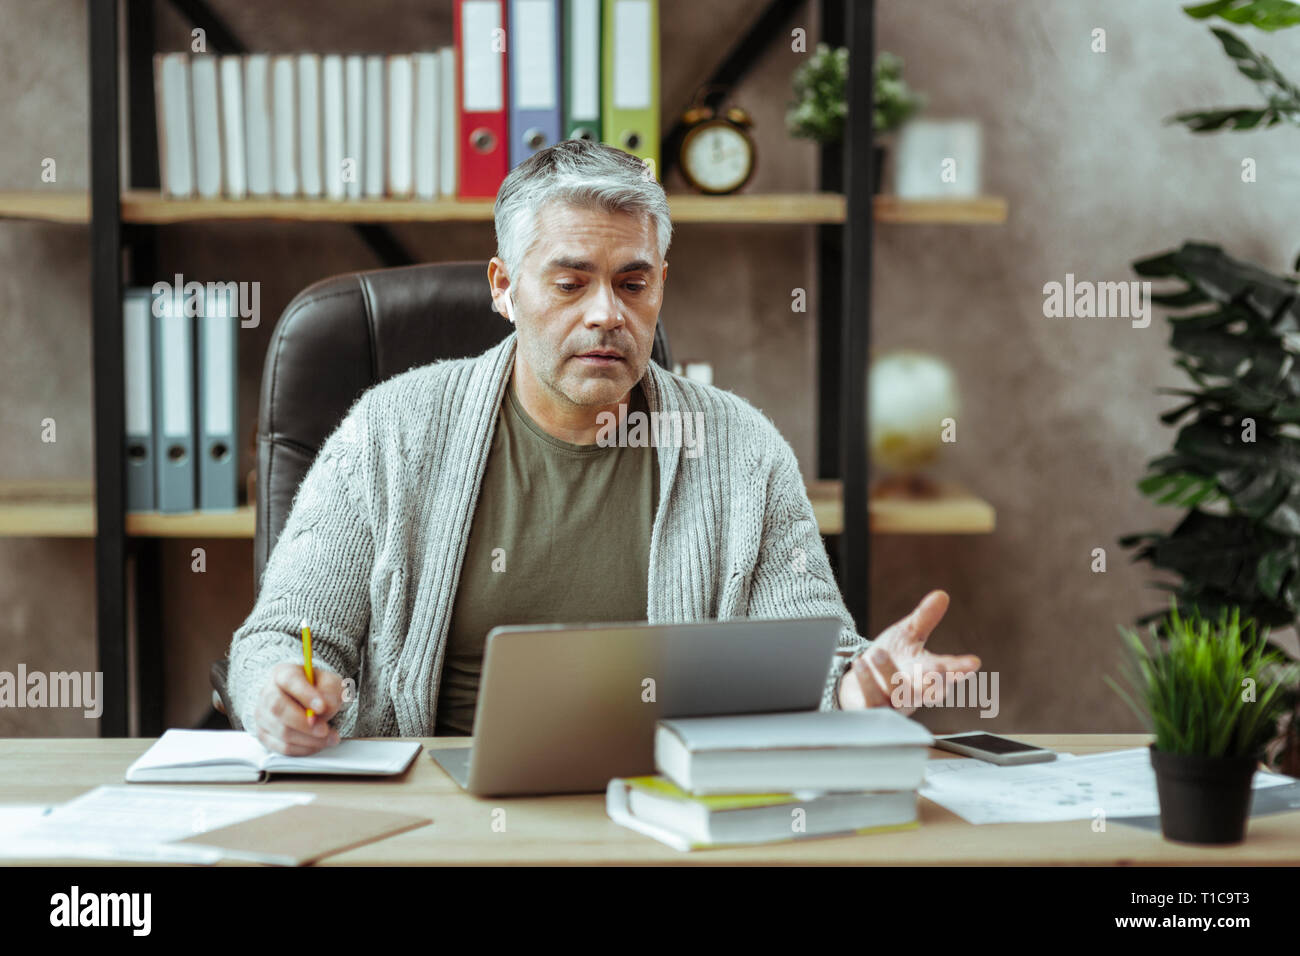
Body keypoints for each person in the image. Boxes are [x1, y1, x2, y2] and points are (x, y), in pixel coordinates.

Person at [227, 139, 980, 755]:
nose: (606, 315)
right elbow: (283, 640)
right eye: (569, 283)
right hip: (436, 822)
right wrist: (281, 696)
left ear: (660, 288)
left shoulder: (742, 451)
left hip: (663, 816)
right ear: (503, 287)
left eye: (633, 282)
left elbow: (811, 661)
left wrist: (860, 689)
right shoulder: (389, 431)